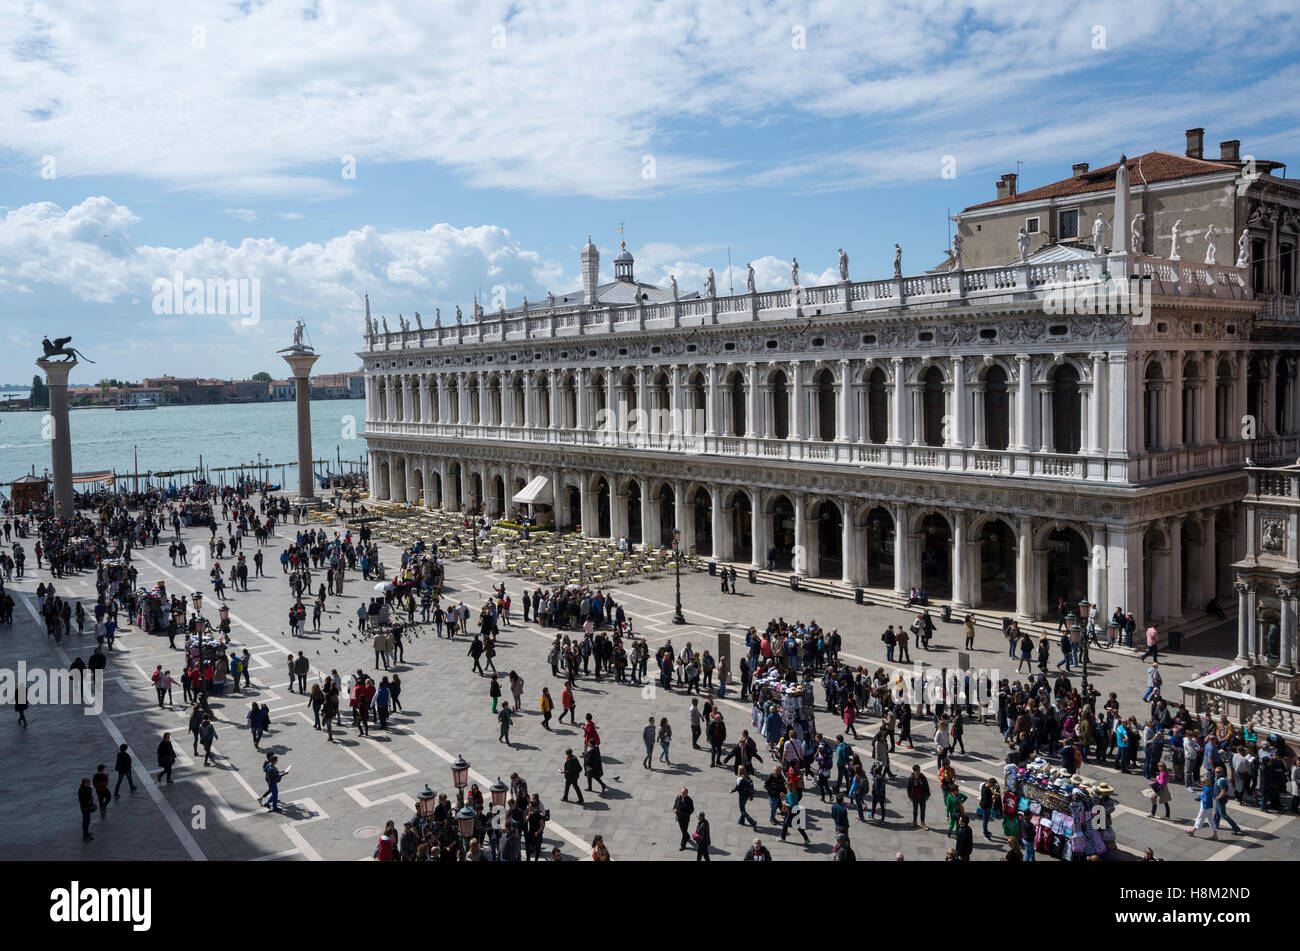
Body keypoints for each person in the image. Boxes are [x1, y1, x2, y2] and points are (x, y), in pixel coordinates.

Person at [907, 764, 930, 830]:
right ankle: (914, 822)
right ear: (914, 771)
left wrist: (928, 794)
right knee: (915, 810)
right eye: (917, 771)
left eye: (919, 770)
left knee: (922, 810)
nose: (919, 772)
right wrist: (909, 796)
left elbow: (926, 785)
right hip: (914, 797)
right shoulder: (911, 778)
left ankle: (923, 823)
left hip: (922, 796)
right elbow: (908, 787)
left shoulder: (922, 777)